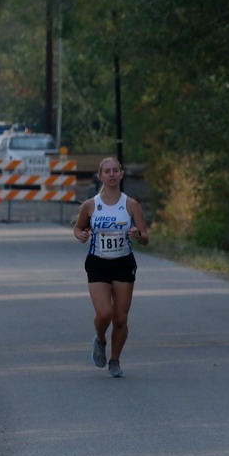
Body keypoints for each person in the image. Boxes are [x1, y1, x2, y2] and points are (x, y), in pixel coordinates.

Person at [73, 156, 150, 377]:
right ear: (100, 176)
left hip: (123, 262)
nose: (112, 174)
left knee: (120, 318)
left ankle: (115, 360)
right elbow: (78, 228)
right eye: (107, 171)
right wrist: (81, 235)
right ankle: (100, 339)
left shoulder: (131, 205)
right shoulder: (90, 205)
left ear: (122, 174)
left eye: (115, 170)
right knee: (105, 313)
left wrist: (137, 234)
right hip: (98, 262)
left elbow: (145, 237)